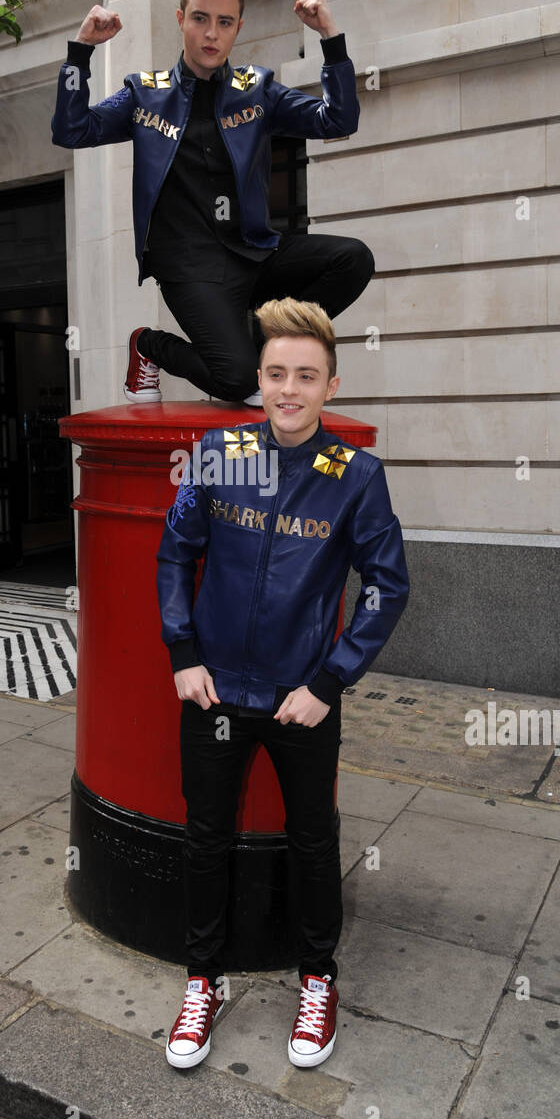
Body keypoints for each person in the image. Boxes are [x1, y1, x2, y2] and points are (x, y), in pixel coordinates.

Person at [155, 299, 409, 1070]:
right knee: (205, 839)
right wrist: (182, 653)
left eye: (304, 376)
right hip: (213, 692)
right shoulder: (217, 453)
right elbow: (175, 553)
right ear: (258, 382)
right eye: (275, 374)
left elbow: (386, 586)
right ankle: (202, 982)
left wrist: (330, 682)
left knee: (311, 843)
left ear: (331, 386)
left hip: (301, 699)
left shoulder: (356, 477)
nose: (287, 389)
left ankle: (317, 980)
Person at [51, 0, 374, 407]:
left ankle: (253, 339)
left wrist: (330, 37)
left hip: (255, 253)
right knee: (238, 380)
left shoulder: (257, 90)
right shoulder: (145, 95)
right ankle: (149, 345)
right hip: (189, 267)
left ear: (238, 27)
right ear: (181, 19)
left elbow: (338, 121)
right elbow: (71, 130)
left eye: (224, 22)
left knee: (353, 259)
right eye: (200, 18)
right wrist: (81, 50)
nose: (211, 34)